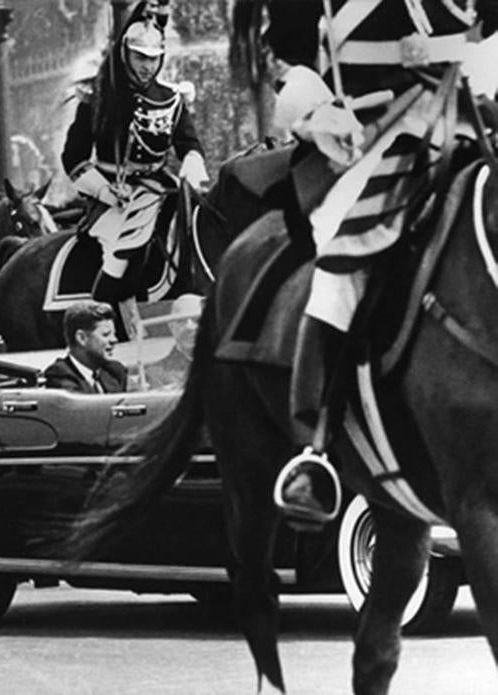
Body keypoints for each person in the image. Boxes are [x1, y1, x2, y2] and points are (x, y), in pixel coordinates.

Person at [257, 0, 498, 527]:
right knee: (342, 263)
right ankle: (316, 447)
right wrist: (317, 112)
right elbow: (286, 60)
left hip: (464, 116)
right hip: (368, 137)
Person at [61, 1, 209, 337]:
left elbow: (189, 144)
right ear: (126, 54)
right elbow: (74, 157)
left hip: (159, 187)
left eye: (153, 58)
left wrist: (192, 164)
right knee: (122, 252)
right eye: (141, 57)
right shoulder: (97, 96)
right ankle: (98, 321)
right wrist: (102, 189)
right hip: (111, 194)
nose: (146, 67)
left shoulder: (171, 99)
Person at [43, 300, 128, 394]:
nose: (114, 340)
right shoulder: (59, 376)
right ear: (82, 338)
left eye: (114, 334)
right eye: (106, 334)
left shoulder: (115, 372)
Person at [144, 293, 202, 390]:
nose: (189, 327)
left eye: (197, 320)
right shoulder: (155, 373)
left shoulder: (226, 365)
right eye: (181, 321)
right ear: (171, 327)